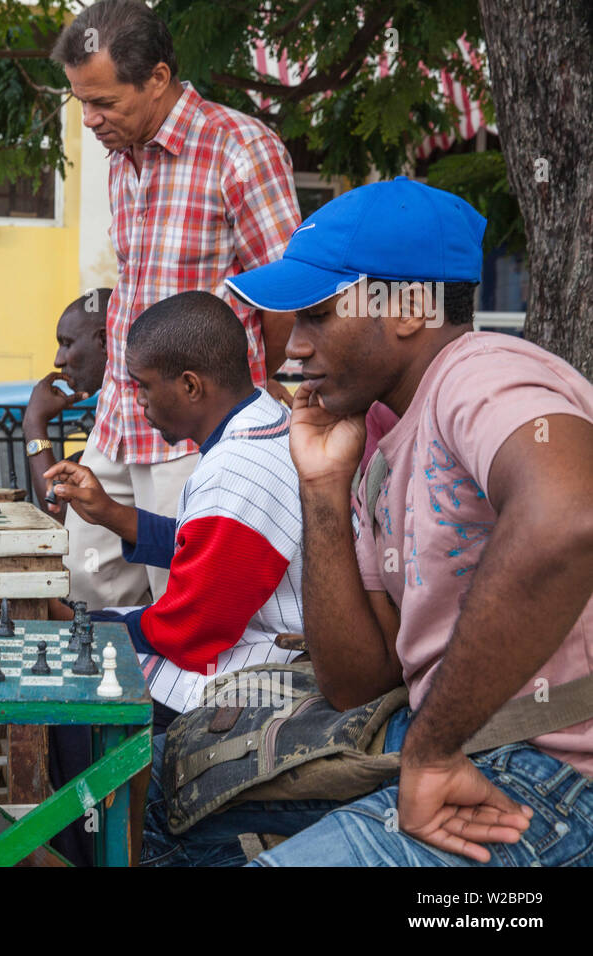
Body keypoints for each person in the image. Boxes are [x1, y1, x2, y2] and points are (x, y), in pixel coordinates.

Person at [150, 178, 593, 867]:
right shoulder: (378, 432)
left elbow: (568, 518)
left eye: (318, 316)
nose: (292, 349)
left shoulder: (478, 373)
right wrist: (323, 488)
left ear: (412, 308)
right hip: (458, 740)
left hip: (556, 768)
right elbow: (357, 680)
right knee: (158, 793)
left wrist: (435, 748)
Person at [50, 0, 301, 610]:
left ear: (157, 78)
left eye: (104, 102)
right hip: (123, 415)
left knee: (187, 602)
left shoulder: (241, 149)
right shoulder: (120, 157)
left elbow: (286, 296)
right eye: (82, 101)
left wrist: (258, 398)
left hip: (200, 430)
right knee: (86, 586)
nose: (90, 120)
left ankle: (179, 710)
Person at [47, 291, 303, 726]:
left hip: (278, 663)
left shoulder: (235, 467)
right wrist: (109, 512)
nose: (139, 402)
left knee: (79, 679)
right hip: (254, 635)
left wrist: (80, 626)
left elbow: (190, 628)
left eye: (144, 387)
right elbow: (204, 549)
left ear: (190, 385)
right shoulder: (263, 417)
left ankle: (107, 795)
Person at [24, 289, 110, 515]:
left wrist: (34, 424)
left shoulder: (129, 415)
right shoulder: (111, 408)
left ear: (103, 340)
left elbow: (60, 511)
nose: (58, 360)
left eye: (67, 343)